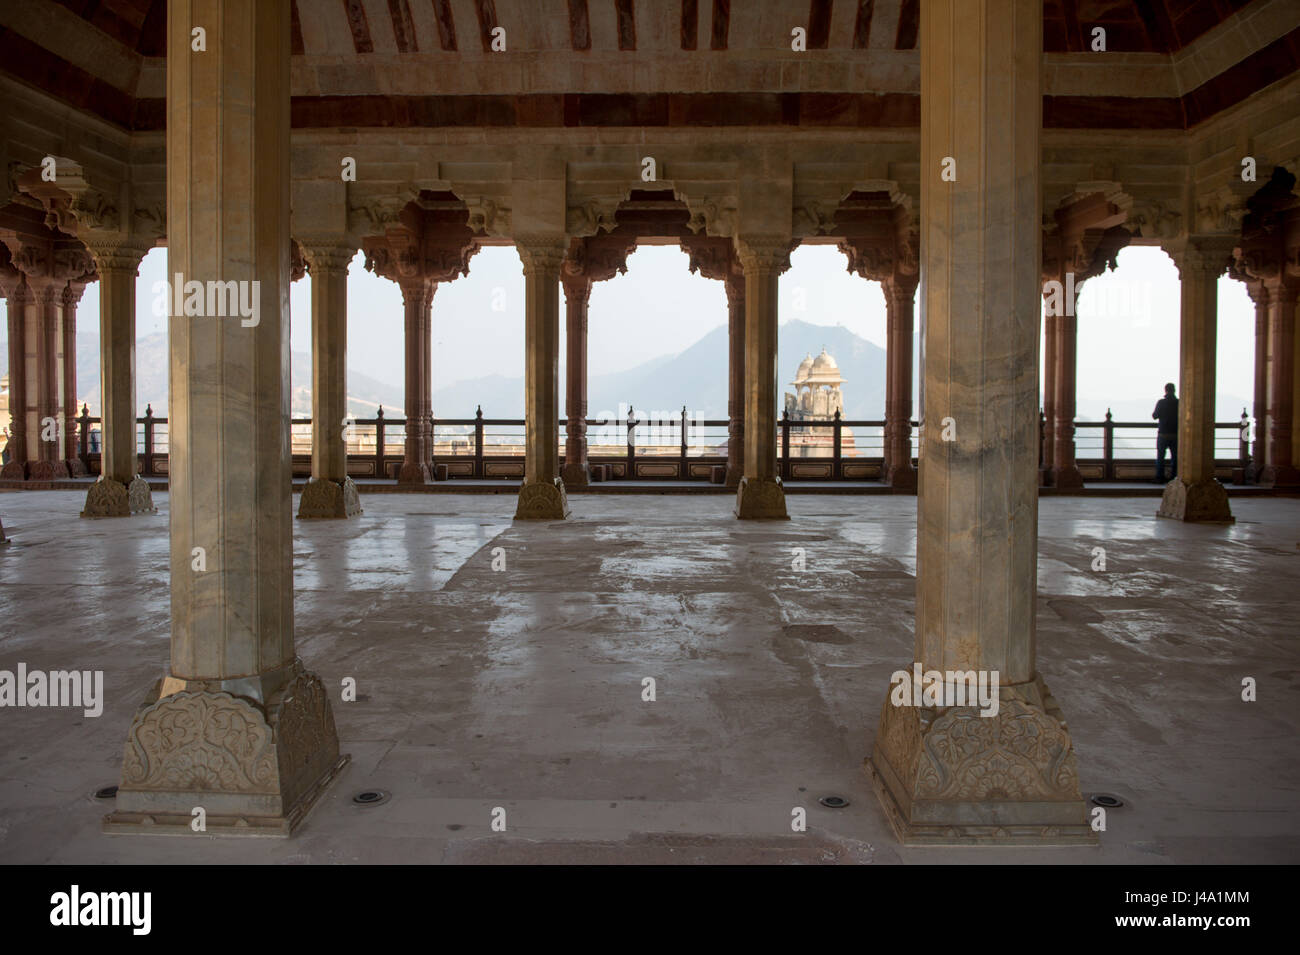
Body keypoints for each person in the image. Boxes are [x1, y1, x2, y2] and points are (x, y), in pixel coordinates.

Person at [1153, 382, 1178, 483]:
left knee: (1160, 457)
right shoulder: (1179, 403)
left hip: (1163, 433)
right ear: (1174, 390)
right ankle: (1174, 478)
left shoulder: (1161, 402)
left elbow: (1155, 416)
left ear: (1165, 390)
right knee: (1175, 457)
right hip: (1176, 434)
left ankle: (1160, 477)